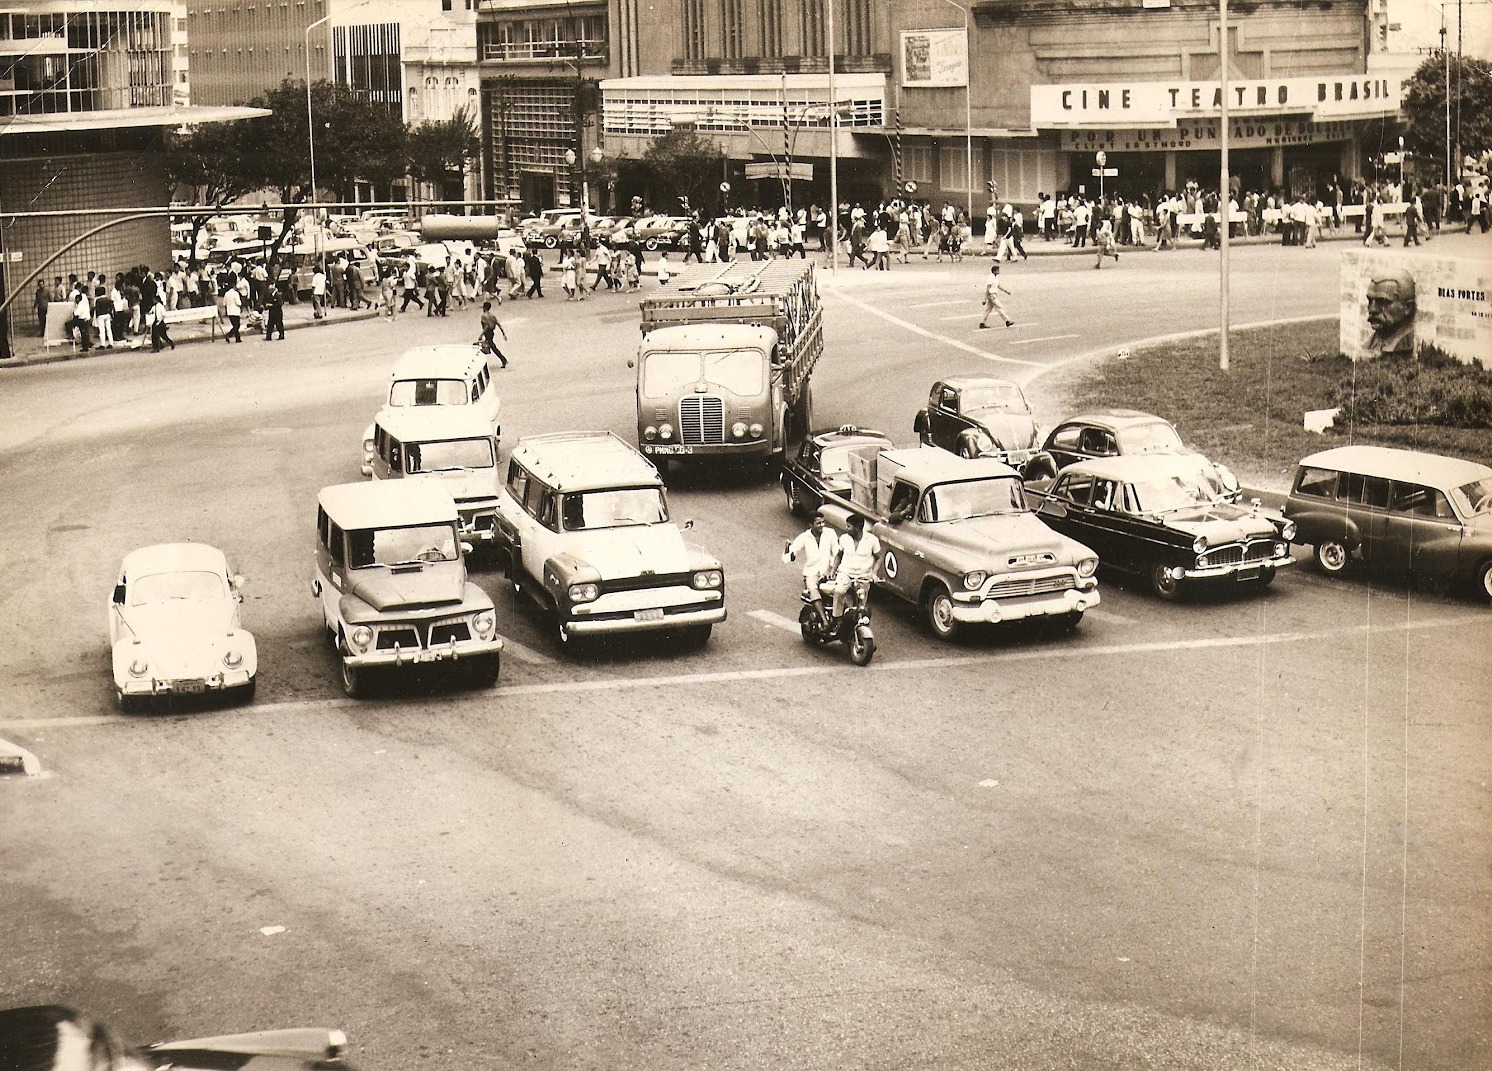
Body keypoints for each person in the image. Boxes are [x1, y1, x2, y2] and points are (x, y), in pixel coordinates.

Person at [782, 511, 837, 628]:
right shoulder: (804, 537)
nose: (822, 525)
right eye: (818, 523)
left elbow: (836, 553)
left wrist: (831, 569)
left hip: (829, 571)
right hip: (812, 572)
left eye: (823, 522)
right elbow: (792, 552)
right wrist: (789, 551)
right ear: (811, 525)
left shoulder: (830, 533)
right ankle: (824, 621)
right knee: (813, 589)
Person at [826, 513, 881, 620]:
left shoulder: (872, 540)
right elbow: (839, 555)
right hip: (845, 574)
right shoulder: (844, 538)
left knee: (861, 604)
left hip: (863, 577)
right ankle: (837, 618)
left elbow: (879, 558)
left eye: (849, 526)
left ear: (858, 527)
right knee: (839, 591)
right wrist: (833, 570)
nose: (846, 528)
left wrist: (874, 573)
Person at [1363, 267, 1416, 357]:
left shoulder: (1405, 344)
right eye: (1370, 301)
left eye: (1382, 302)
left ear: (1407, 308)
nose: (1372, 309)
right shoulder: (1368, 343)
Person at [978, 262, 1014, 329]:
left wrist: (1006, 291)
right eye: (998, 270)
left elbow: (998, 285)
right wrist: (984, 299)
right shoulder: (990, 278)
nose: (999, 271)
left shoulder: (996, 277)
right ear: (994, 271)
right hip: (992, 295)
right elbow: (987, 288)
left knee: (987, 310)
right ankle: (1007, 321)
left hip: (992, 295)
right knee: (1000, 308)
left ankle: (982, 323)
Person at [477, 301, 509, 369]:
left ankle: (503, 359)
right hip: (491, 333)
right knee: (488, 346)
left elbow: (486, 326)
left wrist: (481, 334)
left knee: (489, 347)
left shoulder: (483, 316)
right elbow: (499, 325)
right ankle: (503, 359)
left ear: (484, 307)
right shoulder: (492, 315)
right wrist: (503, 334)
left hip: (487, 333)